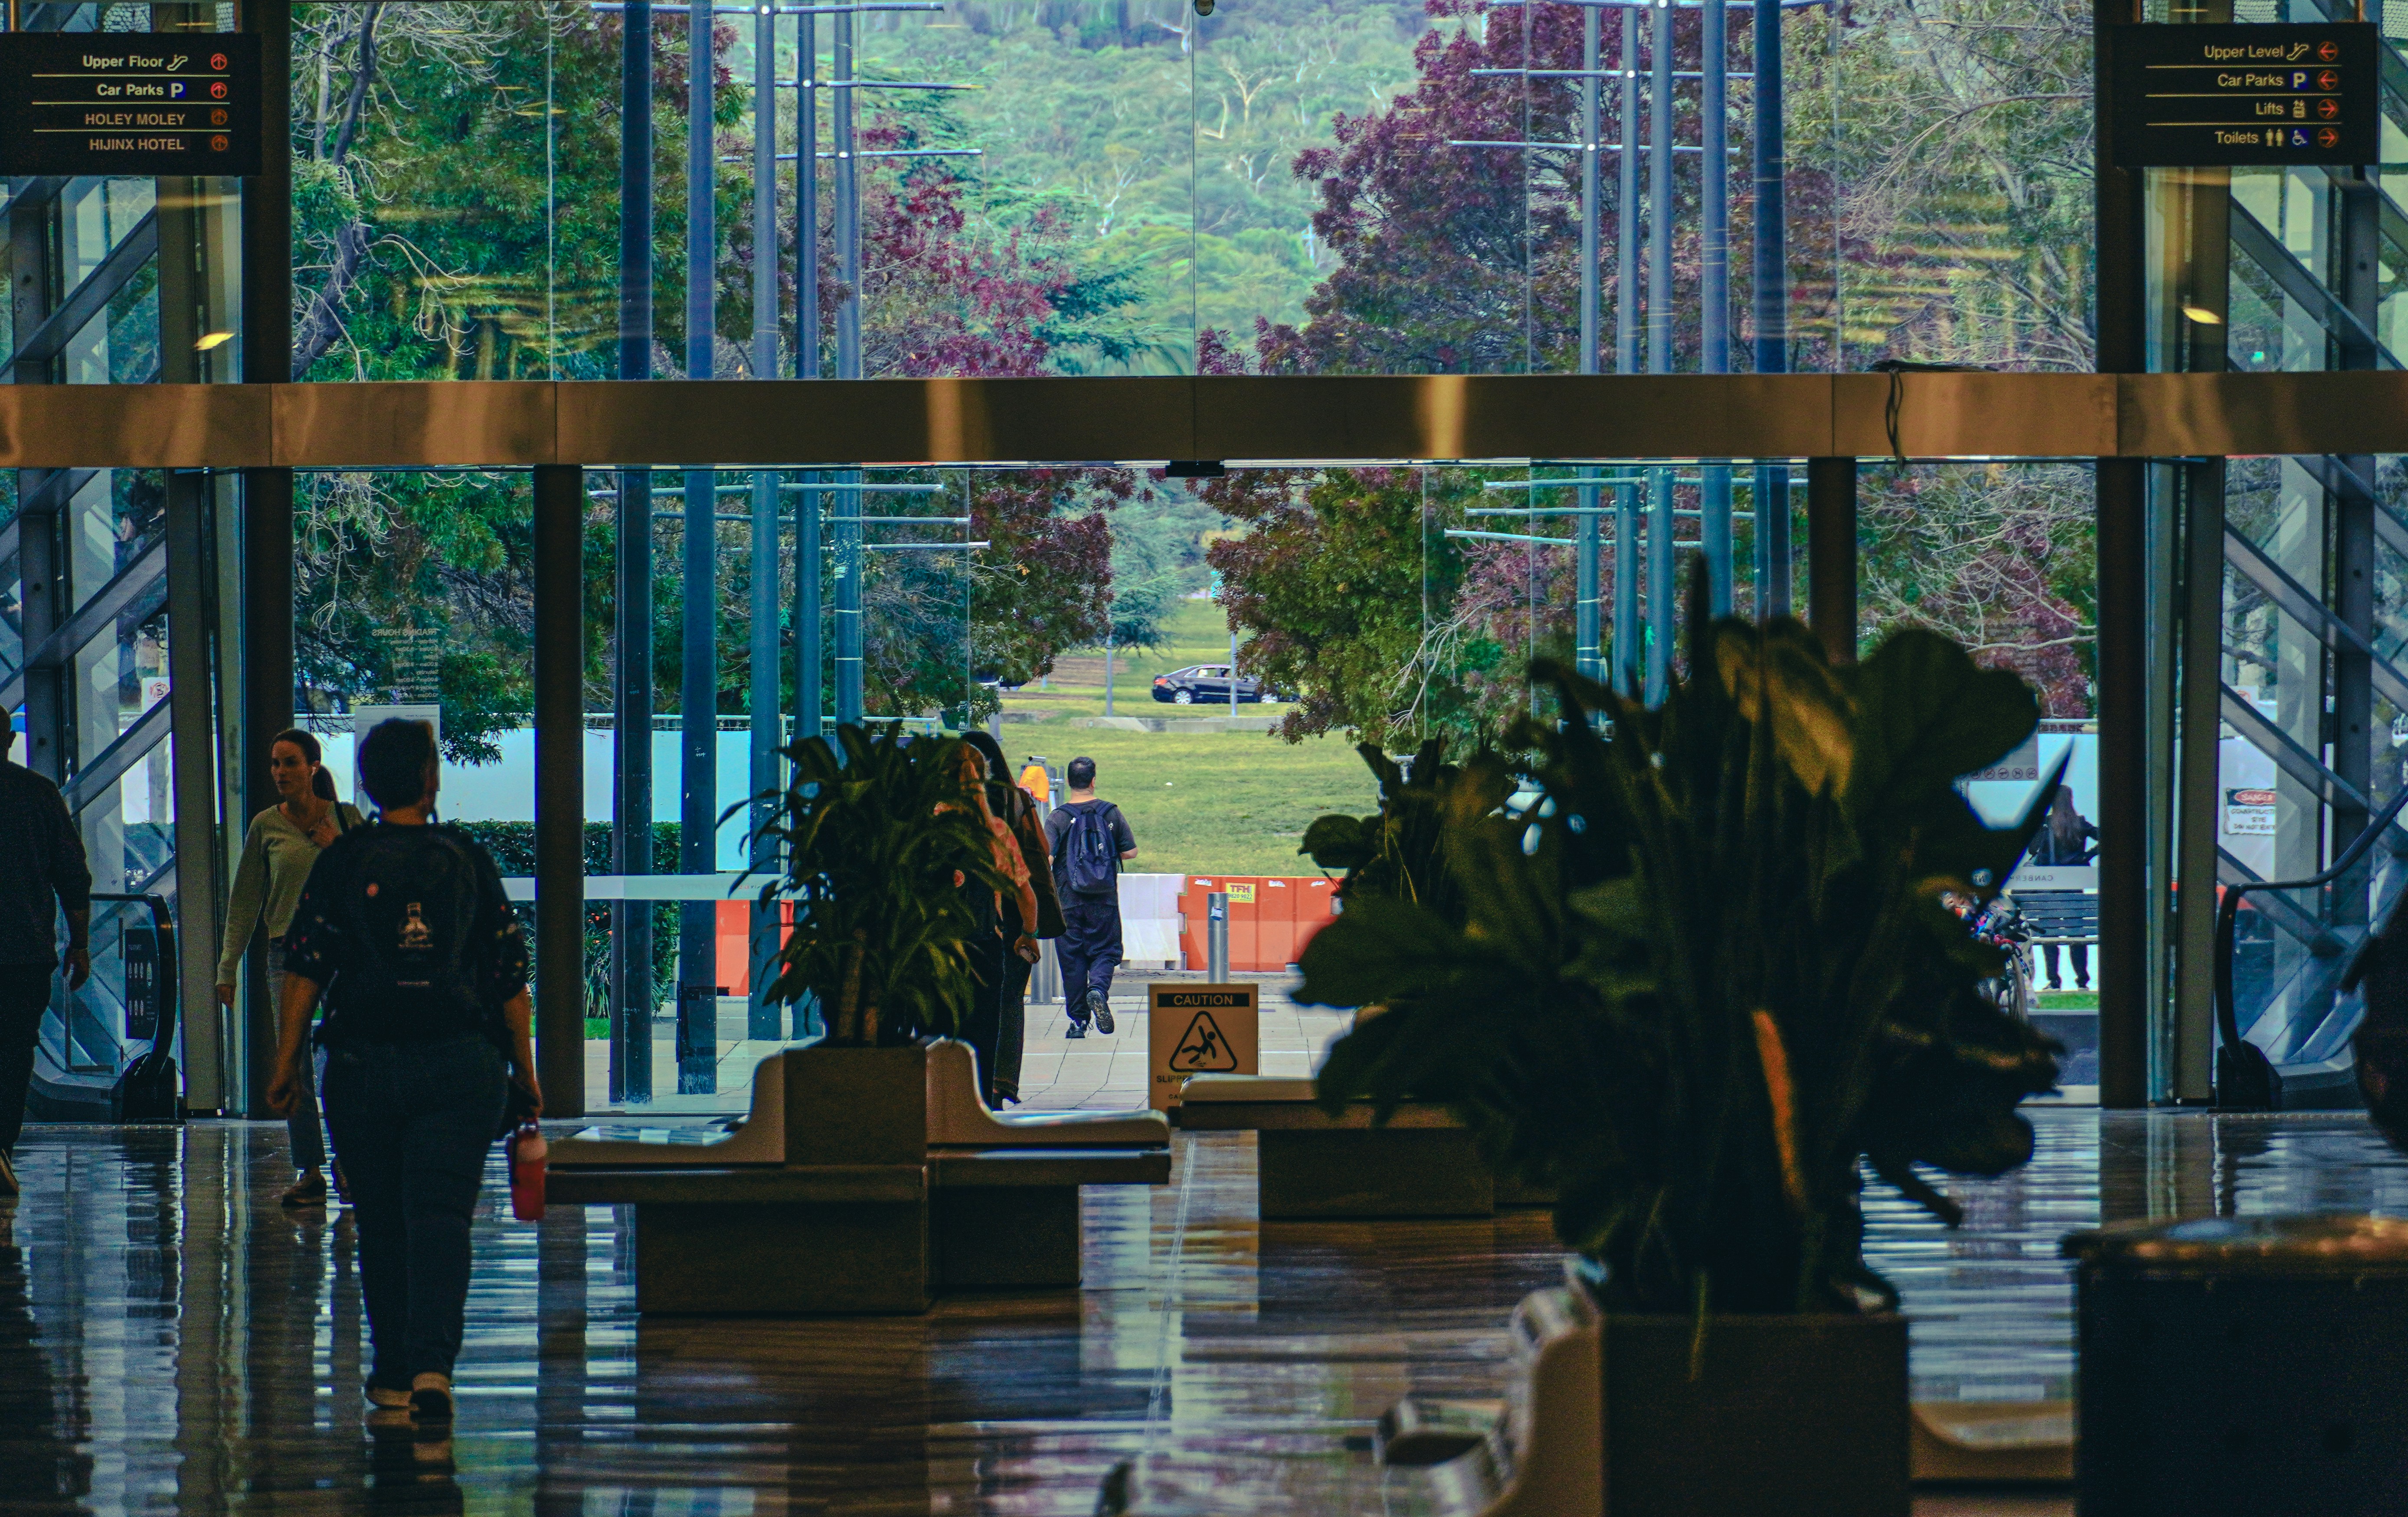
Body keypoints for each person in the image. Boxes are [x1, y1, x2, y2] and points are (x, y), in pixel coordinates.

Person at [268, 718, 539, 1425]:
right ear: (430, 779)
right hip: (459, 1063)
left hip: (363, 1067)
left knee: (382, 1220)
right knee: (442, 1215)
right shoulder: (466, 858)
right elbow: (509, 974)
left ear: (365, 782)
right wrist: (526, 1071)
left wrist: (287, 1060)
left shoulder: (343, 860)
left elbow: (305, 964)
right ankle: (432, 1369)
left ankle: (389, 1372)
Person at [217, 728, 366, 1207]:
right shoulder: (266, 825)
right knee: (294, 1062)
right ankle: (310, 1168)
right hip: (287, 953)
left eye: (290, 763)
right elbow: (246, 900)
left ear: (313, 768)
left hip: (343, 954)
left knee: (347, 1061)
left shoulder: (346, 819)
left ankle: (350, 1160)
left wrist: (334, 847)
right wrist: (227, 967)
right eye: (275, 763)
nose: (280, 772)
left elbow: (373, 885)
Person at [0, 720, 90, 1198]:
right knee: (15, 1050)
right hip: (25, 950)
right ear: (8, 739)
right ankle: (2, 1145)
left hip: (24, 950)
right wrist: (80, 941)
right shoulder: (39, 794)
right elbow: (72, 874)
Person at [965, 731, 1064, 1105]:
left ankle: (961, 1081)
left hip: (965, 919)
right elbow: (1043, 847)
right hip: (1013, 912)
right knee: (1008, 1002)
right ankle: (1002, 1082)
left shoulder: (941, 809)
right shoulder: (1016, 800)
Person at [949, 743, 1042, 1105]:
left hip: (937, 950)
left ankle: (939, 1103)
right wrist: (1029, 934)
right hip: (985, 944)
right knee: (986, 1031)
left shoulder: (923, 829)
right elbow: (1027, 894)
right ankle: (986, 1103)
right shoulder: (997, 829)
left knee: (938, 1028)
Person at [1044, 756, 1135, 1040]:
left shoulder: (1057, 818)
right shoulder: (1111, 813)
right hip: (1103, 899)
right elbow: (1130, 852)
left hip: (1068, 901)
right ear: (1094, 780)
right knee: (1106, 951)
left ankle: (1078, 1023)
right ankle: (1098, 987)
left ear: (1069, 782)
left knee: (1072, 960)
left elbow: (1045, 858)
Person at [2029, 786, 2099, 991]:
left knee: (2049, 934)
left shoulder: (2047, 825)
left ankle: (2054, 981)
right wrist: (2086, 856)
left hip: (2049, 890)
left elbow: (2032, 850)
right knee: (2077, 933)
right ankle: (2082, 981)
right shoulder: (2081, 824)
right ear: (2071, 800)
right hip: (2074, 890)